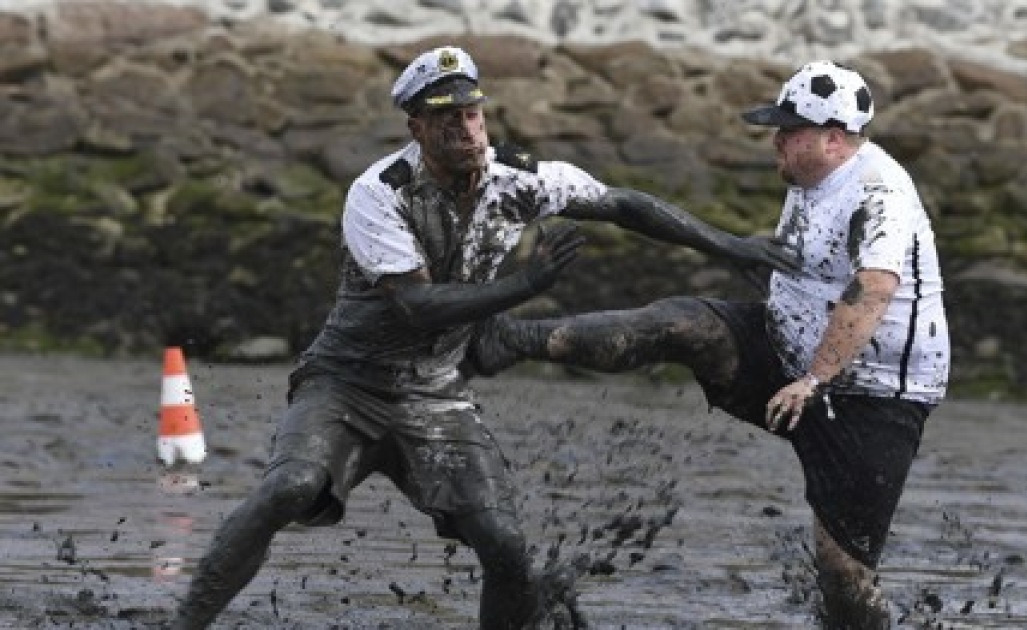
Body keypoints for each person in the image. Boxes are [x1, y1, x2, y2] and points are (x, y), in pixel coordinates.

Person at [170, 45, 798, 630]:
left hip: (435, 393)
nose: (467, 130)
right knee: (288, 487)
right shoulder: (380, 192)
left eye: (472, 114)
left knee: (504, 543)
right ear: (417, 127)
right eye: (448, 120)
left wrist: (728, 244)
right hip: (345, 383)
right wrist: (527, 284)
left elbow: (622, 203)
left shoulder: (516, 180)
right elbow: (416, 305)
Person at [470, 60, 951, 629]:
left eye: (788, 130)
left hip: (871, 396)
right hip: (786, 350)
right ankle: (508, 340)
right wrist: (752, 260)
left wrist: (813, 380)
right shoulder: (811, 176)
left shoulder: (879, 191)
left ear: (833, 139)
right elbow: (817, 261)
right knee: (682, 324)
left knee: (843, 577)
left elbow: (873, 288)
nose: (775, 140)